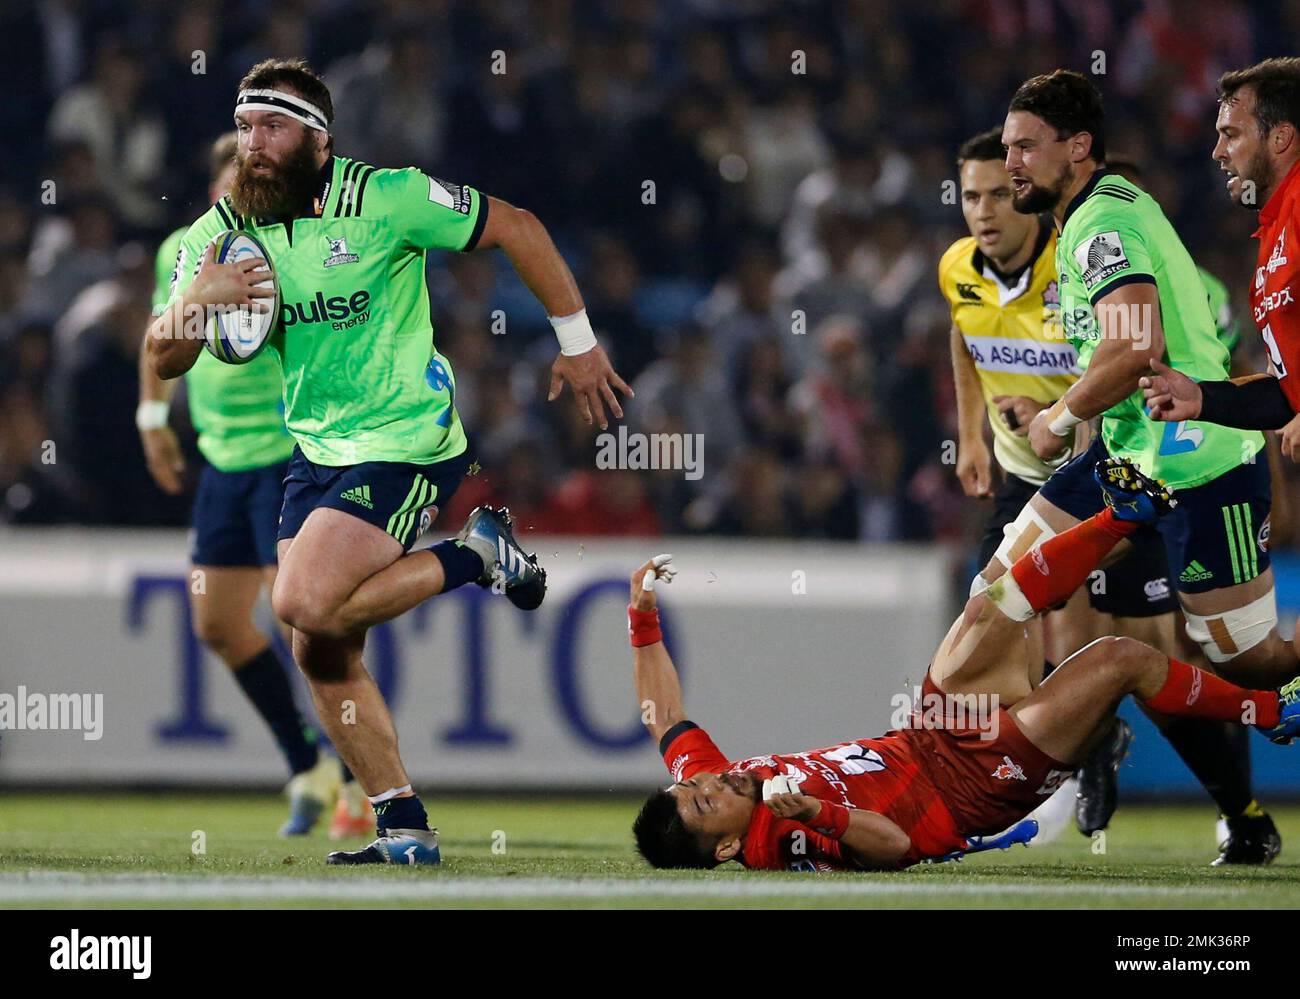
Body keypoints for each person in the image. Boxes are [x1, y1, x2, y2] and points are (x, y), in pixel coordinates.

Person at [146, 59, 630, 866]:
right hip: (316, 449)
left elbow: (517, 225)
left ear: (316, 138)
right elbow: (163, 355)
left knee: (302, 599)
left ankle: (472, 555)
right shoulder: (223, 231)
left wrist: (578, 345)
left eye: (269, 127)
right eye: (242, 128)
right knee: (315, 643)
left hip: (408, 438)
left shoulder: (387, 197)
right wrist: (201, 296)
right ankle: (402, 823)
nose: (251, 145)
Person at [629, 459, 1300, 871]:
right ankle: (1276, 712)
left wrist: (642, 615)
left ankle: (1126, 517)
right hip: (975, 786)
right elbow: (891, 845)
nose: (709, 785)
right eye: (704, 804)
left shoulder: (716, 780)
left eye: (692, 787)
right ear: (723, 848)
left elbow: (664, 715)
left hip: (933, 731)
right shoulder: (777, 841)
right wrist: (819, 815)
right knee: (1119, 658)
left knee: (990, 600)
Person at [943, 129, 1267, 855]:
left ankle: (1238, 809)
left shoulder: (1093, 261)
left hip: (1130, 469)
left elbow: (1152, 365)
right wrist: (971, 435)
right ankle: (1051, 755)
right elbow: (963, 337)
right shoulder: (959, 269)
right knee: (1006, 613)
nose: (988, 209)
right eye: (973, 195)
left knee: (1158, 648)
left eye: (1001, 190)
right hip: (1040, 477)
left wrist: (1065, 424)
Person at [138, 132, 369, 840]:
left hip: (284, 452)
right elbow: (158, 334)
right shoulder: (182, 250)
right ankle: (309, 766)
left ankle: (360, 780)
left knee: (304, 616)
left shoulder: (283, 249)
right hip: (222, 458)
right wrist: (152, 415)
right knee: (215, 622)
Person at [1142, 58, 1300, 467]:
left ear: (1280, 138)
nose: (1217, 152)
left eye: (1231, 134)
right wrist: (1202, 398)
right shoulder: (1273, 234)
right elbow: (1285, 393)